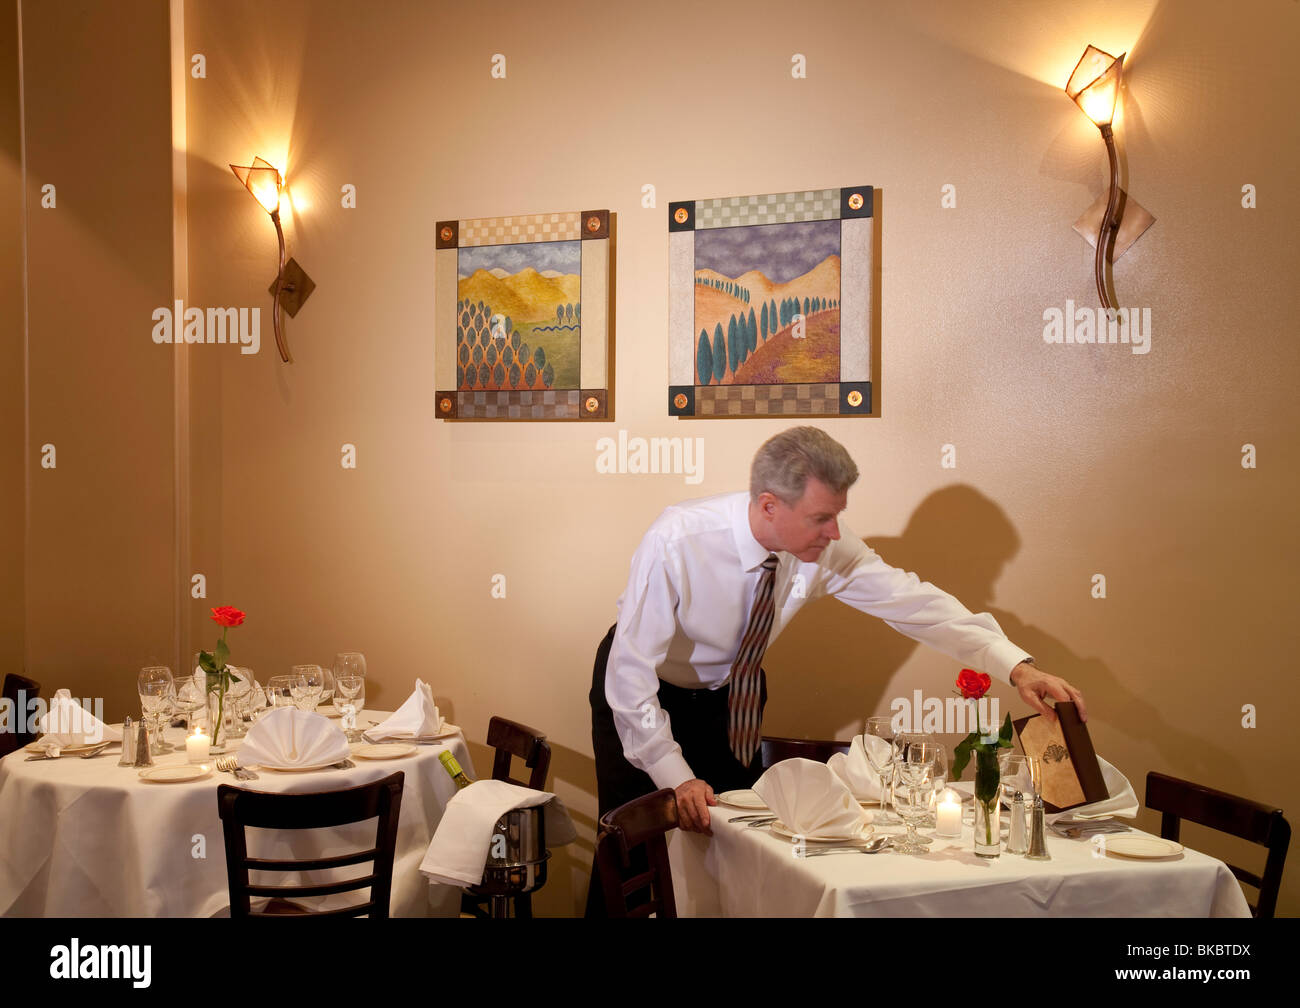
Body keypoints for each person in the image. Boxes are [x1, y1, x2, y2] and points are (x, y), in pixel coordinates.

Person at [586, 426, 1084, 912]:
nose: (836, 532)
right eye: (822, 518)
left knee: (727, 842)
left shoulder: (825, 548)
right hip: (644, 694)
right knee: (637, 848)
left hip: (732, 697)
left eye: (838, 515)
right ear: (768, 505)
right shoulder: (678, 538)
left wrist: (1017, 667)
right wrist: (674, 776)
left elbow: (918, 604)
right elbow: (629, 678)